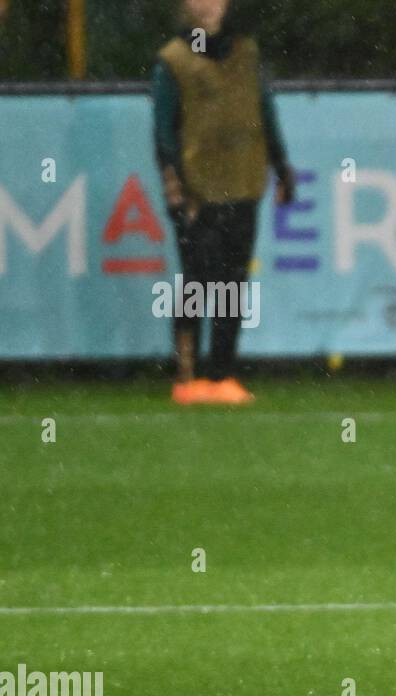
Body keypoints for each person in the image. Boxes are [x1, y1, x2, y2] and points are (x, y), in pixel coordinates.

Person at [152, 0, 294, 405]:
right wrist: (176, 186)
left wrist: (281, 166)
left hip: (243, 181)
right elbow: (163, 130)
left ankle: (223, 373)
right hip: (198, 188)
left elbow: (264, 111)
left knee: (232, 279)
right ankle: (187, 375)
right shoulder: (173, 59)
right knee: (197, 278)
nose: (207, 5)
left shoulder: (245, 51)